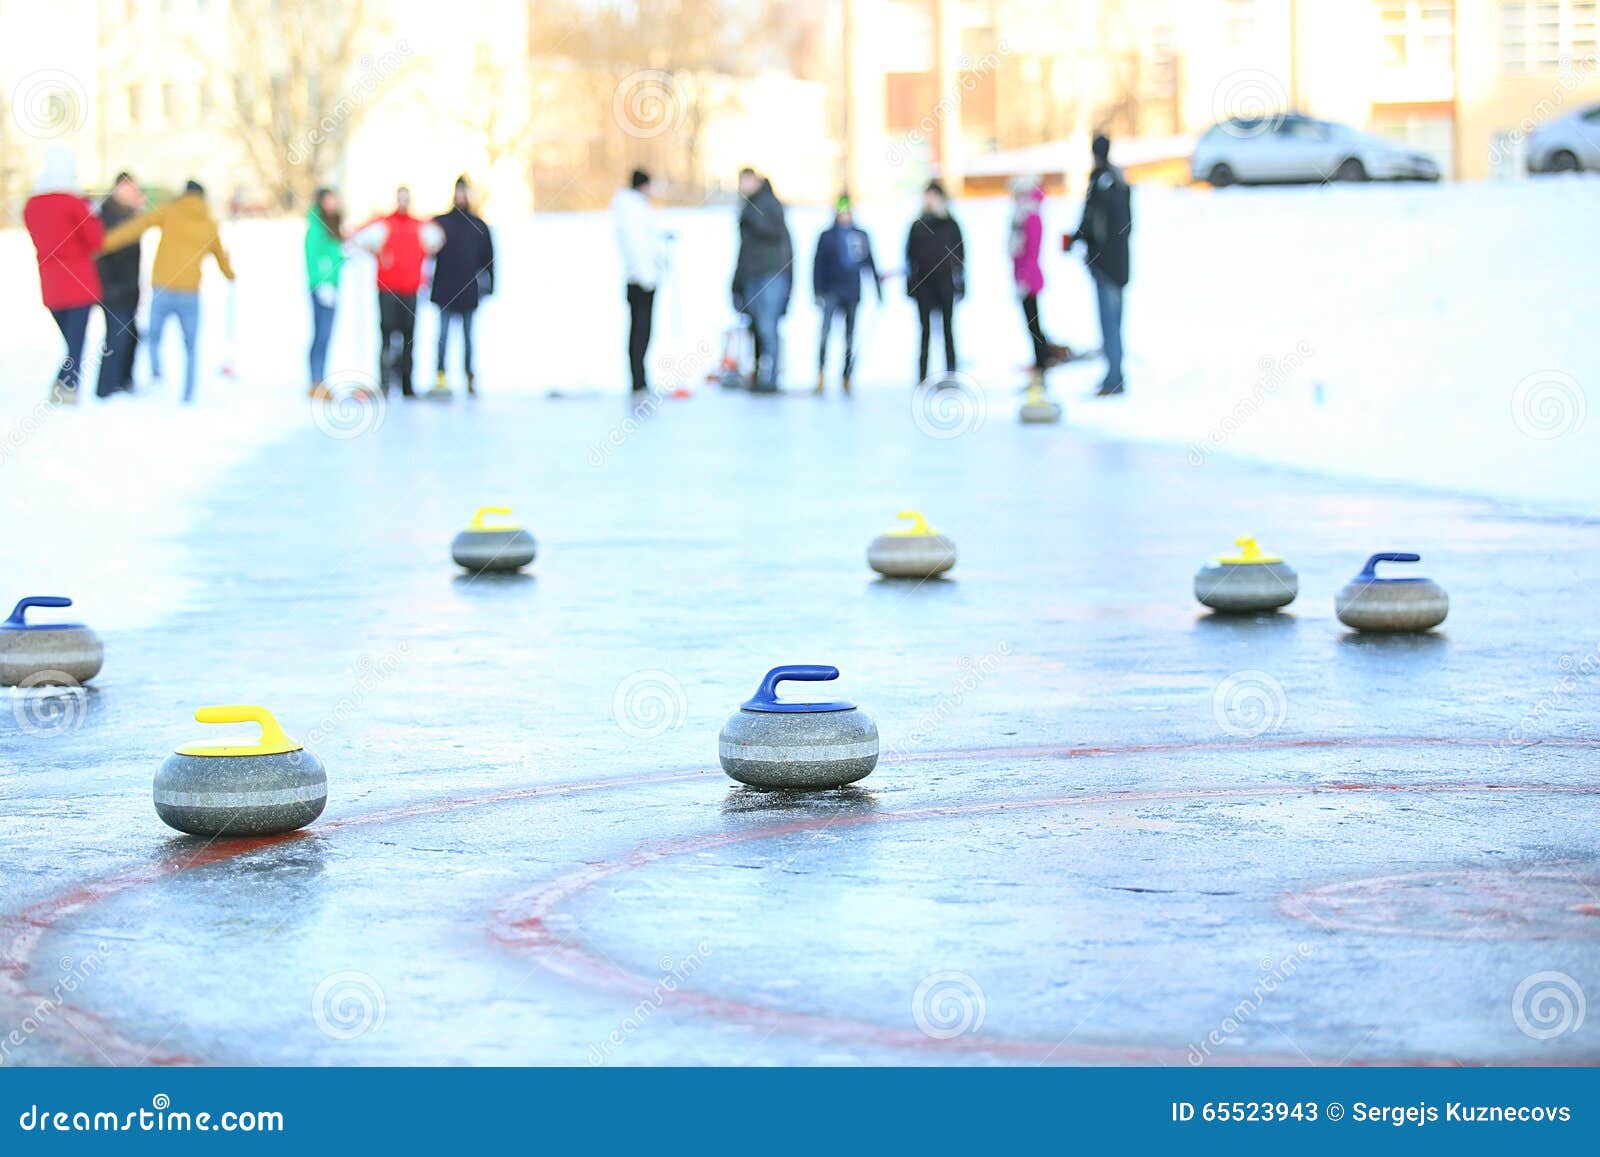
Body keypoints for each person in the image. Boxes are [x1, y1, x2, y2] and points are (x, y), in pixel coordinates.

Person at [101, 179, 235, 404]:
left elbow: (135, 227)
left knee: (153, 335)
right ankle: (188, 393)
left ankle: (156, 372)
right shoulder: (209, 223)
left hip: (163, 287)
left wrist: (102, 243)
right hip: (190, 292)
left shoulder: (170, 211)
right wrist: (230, 274)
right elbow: (221, 256)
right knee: (190, 345)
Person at [23, 147, 103, 405]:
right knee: (76, 341)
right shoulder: (74, 203)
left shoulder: (32, 205)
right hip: (79, 282)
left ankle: (62, 385)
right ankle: (67, 388)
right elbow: (95, 240)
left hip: (50, 283)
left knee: (71, 340)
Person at [1071, 134, 1132, 396]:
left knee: (1110, 324)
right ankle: (1114, 374)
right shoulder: (1119, 181)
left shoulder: (1101, 183)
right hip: (1118, 264)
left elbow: (1092, 221)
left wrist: (1080, 240)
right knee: (1114, 323)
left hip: (1106, 265)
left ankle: (1114, 378)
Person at [357, 187, 427, 398]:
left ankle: (407, 384)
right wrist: (376, 252)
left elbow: (435, 243)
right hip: (387, 289)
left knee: (408, 339)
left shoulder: (419, 226)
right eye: (400, 199)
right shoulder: (383, 224)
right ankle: (385, 382)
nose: (403, 202)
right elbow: (358, 238)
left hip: (410, 289)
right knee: (387, 336)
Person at [429, 176, 495, 398]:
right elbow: (426, 249)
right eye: (458, 192)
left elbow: (489, 259)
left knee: (468, 337)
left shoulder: (479, 225)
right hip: (445, 289)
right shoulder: (440, 223)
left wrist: (490, 285)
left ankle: (469, 377)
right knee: (443, 335)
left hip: (468, 290)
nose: (461, 196)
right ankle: (440, 377)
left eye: (464, 192)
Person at [810, 193, 881, 395]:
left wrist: (878, 290)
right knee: (825, 334)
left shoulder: (860, 235)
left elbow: (870, 263)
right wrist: (817, 291)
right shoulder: (827, 236)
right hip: (831, 291)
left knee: (849, 337)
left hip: (852, 292)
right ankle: (821, 373)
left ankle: (846, 375)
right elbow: (818, 265)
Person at [731, 167, 792, 393]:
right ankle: (759, 375)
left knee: (768, 326)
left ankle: (773, 377)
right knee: (756, 325)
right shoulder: (746, 207)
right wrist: (737, 281)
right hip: (752, 274)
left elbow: (777, 235)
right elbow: (744, 250)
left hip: (770, 274)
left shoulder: (768, 203)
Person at [611, 168, 668, 396]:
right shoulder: (632, 210)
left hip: (645, 277)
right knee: (640, 330)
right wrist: (646, 276)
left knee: (643, 329)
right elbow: (636, 246)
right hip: (640, 280)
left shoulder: (636, 208)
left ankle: (640, 378)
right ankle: (638, 380)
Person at [904, 180, 964, 385]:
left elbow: (960, 256)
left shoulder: (950, 224)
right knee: (925, 331)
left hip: (945, 284)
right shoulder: (917, 225)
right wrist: (911, 285)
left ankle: (951, 372)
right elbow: (909, 257)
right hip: (924, 286)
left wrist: (961, 283)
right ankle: (922, 375)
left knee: (948, 330)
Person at [95, 172, 145, 398]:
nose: (130, 192)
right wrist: (109, 287)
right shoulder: (107, 213)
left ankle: (124, 380)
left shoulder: (132, 214)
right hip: (113, 289)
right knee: (116, 338)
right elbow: (100, 252)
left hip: (130, 289)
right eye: (125, 188)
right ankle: (106, 387)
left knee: (131, 336)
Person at [1009, 174, 1061, 384]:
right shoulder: (1022, 215)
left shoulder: (1030, 216)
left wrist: (1024, 278)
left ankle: (1042, 364)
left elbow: (1031, 251)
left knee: (1034, 324)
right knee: (1032, 324)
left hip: (1029, 279)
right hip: (1024, 277)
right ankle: (1040, 362)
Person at [305, 186, 345, 400]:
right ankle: (315, 380)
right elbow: (314, 260)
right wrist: (322, 285)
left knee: (326, 335)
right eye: (329, 200)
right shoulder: (316, 228)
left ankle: (320, 379)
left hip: (333, 288)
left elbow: (334, 256)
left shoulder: (334, 227)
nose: (333, 204)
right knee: (321, 334)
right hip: (322, 290)